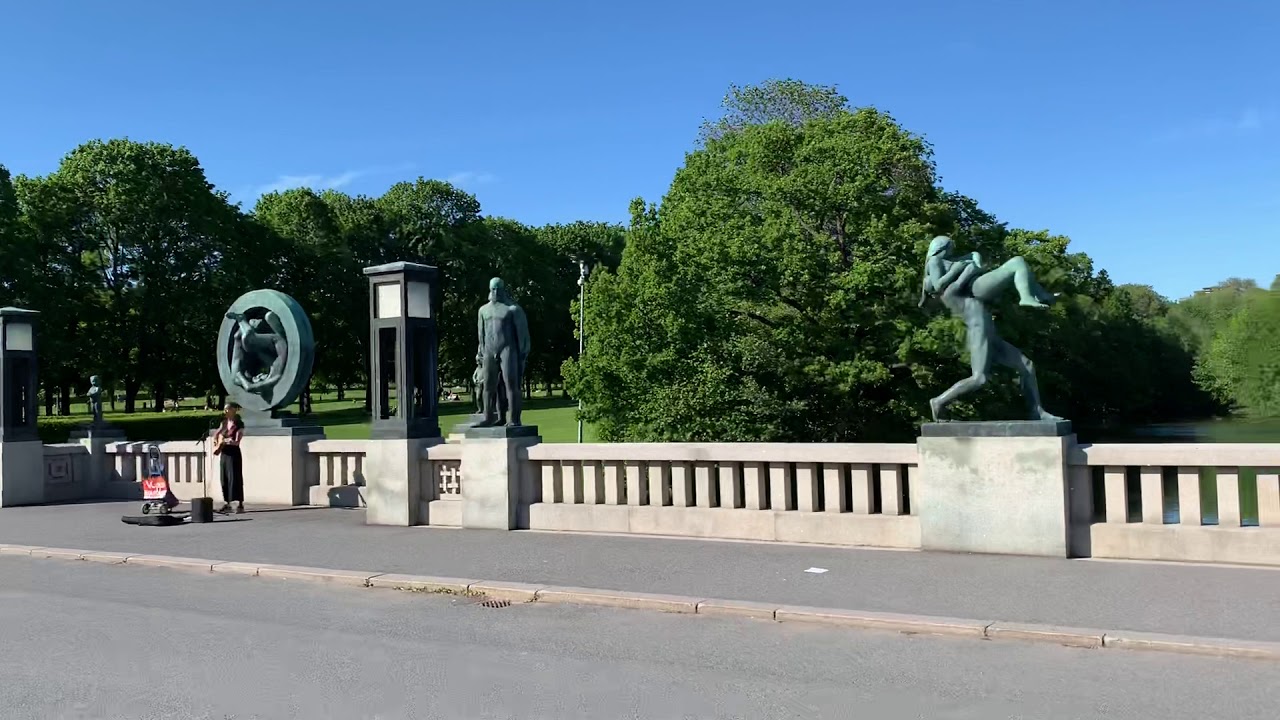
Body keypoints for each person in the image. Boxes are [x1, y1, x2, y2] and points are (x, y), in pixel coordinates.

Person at [214, 402, 246, 514]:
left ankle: (239, 504)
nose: (225, 411)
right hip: (224, 453)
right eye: (225, 409)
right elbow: (217, 433)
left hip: (233, 453)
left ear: (233, 410)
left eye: (227, 409)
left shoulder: (239, 425)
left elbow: (237, 442)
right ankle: (226, 503)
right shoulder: (224, 423)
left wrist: (227, 441)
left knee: (234, 477)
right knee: (224, 478)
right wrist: (216, 440)